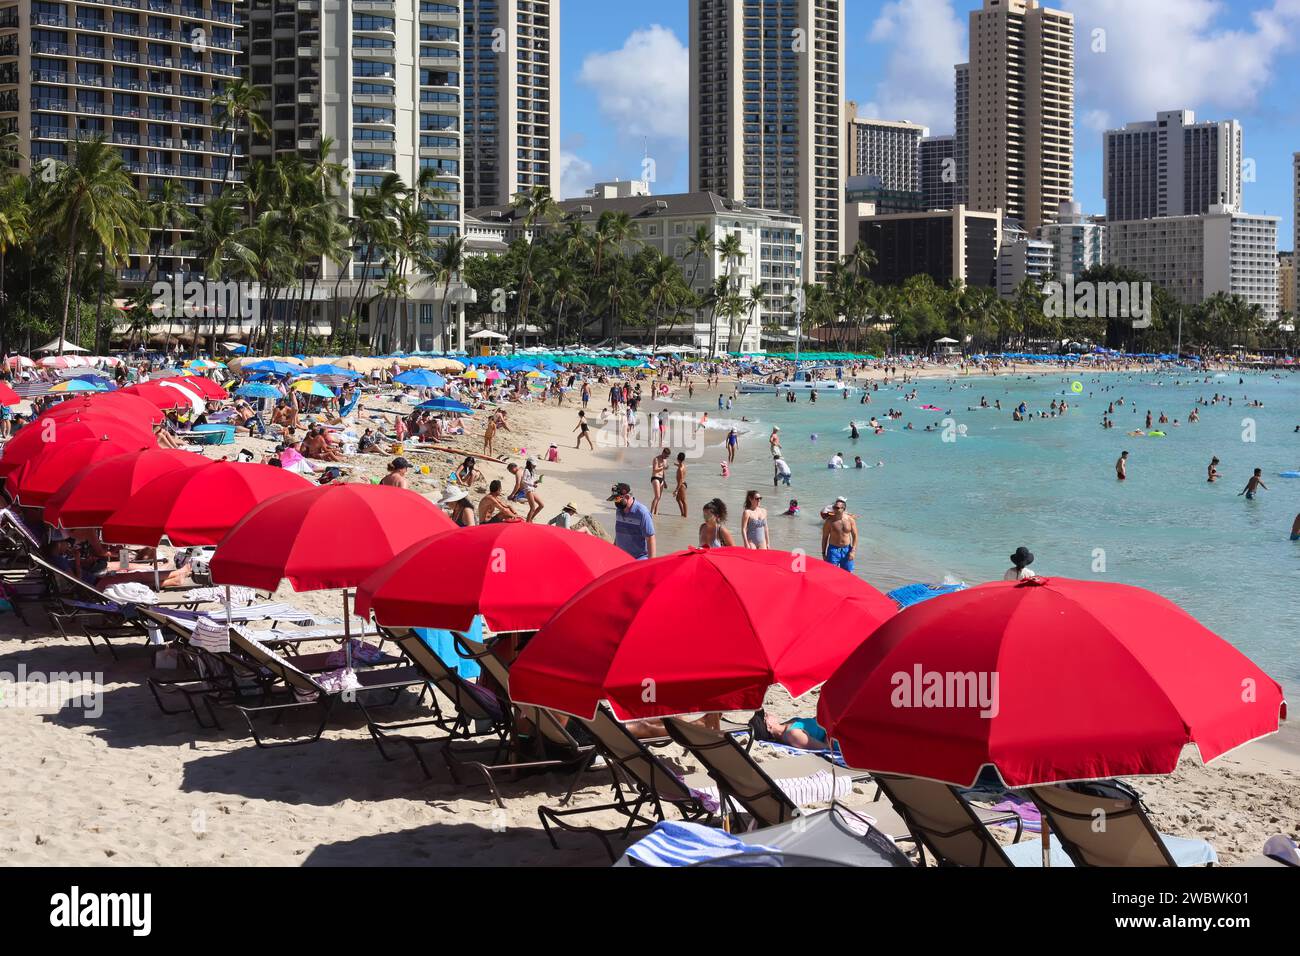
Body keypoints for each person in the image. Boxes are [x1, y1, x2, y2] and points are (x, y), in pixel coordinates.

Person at [609, 483, 655, 560]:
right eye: (615, 500)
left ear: (627, 496)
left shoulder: (642, 513)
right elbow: (619, 534)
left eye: (618, 500)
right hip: (621, 557)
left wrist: (651, 564)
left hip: (638, 559)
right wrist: (613, 552)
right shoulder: (619, 510)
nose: (616, 503)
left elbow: (650, 538)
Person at [821, 498, 858, 572]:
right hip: (833, 550)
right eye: (834, 507)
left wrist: (853, 551)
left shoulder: (850, 520)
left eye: (837, 508)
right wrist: (823, 553)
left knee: (847, 574)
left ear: (843, 509)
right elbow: (825, 537)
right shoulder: (829, 521)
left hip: (847, 550)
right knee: (831, 573)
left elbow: (855, 536)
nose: (834, 509)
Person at [649, 448, 670, 515]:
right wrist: (663, 467)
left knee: (659, 498)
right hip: (655, 477)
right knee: (657, 496)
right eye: (666, 455)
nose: (666, 457)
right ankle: (651, 513)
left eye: (667, 456)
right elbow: (655, 470)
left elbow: (663, 472)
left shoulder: (665, 460)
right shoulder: (656, 459)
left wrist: (665, 481)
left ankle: (656, 512)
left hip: (661, 479)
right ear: (663, 453)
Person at [673, 452, 688, 518]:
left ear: (677, 458)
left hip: (681, 485)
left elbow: (680, 481)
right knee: (678, 499)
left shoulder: (680, 469)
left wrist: (676, 490)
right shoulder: (683, 465)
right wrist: (675, 464)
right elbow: (679, 465)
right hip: (683, 484)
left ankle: (685, 515)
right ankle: (682, 514)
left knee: (683, 500)